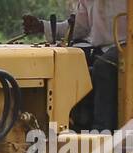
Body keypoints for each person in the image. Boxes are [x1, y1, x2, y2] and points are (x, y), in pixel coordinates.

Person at [23, 0, 127, 130]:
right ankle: (67, 124)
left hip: (127, 43)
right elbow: (79, 28)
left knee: (103, 66)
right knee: (67, 62)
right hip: (101, 48)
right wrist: (43, 26)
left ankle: (102, 130)